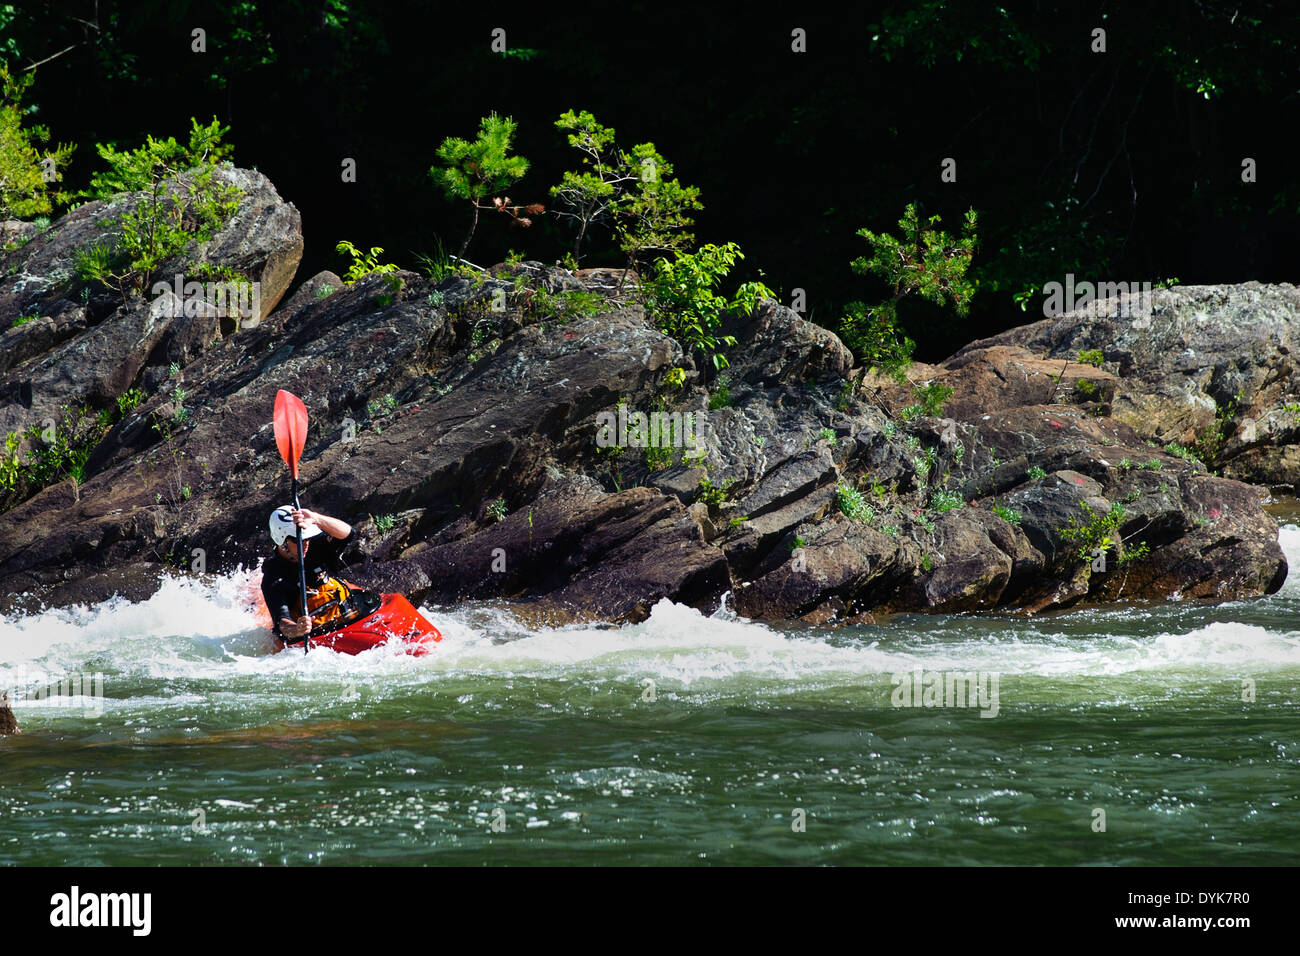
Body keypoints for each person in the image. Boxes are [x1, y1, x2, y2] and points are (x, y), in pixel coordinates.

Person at [261, 506, 369, 643]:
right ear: (282, 541)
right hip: (317, 633)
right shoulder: (273, 578)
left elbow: (349, 534)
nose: (305, 544)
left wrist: (316, 518)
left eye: (307, 539)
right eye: (298, 540)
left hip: (346, 614)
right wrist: (297, 629)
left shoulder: (315, 545)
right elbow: (282, 623)